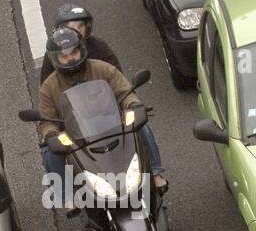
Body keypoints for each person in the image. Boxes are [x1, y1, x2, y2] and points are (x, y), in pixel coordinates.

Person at [37, 26, 166, 204]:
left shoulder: (103, 69)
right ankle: (68, 198)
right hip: (76, 137)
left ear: (81, 50)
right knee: (48, 151)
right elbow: (46, 120)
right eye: (64, 56)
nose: (70, 58)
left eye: (73, 52)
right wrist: (51, 134)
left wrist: (134, 105)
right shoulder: (48, 87)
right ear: (55, 58)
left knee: (142, 127)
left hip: (113, 126)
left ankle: (155, 173)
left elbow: (126, 93)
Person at [39, 3, 121, 84]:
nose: (78, 31)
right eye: (72, 27)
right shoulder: (54, 52)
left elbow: (117, 75)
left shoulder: (99, 46)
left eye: (81, 26)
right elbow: (46, 85)